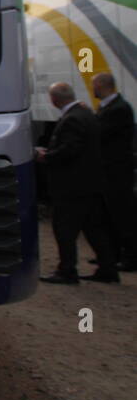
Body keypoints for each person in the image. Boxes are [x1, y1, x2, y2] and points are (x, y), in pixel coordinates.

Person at [36, 81, 119, 284]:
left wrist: (46, 156)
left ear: (54, 99)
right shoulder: (86, 113)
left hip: (72, 186)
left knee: (64, 229)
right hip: (90, 183)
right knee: (94, 229)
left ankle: (67, 271)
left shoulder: (72, 118)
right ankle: (108, 269)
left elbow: (70, 150)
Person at [93, 72, 136, 271]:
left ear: (102, 85)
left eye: (95, 85)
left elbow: (99, 133)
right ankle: (112, 255)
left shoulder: (118, 109)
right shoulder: (112, 107)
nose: (93, 89)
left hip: (117, 172)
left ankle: (131, 257)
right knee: (109, 215)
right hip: (108, 171)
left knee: (122, 215)